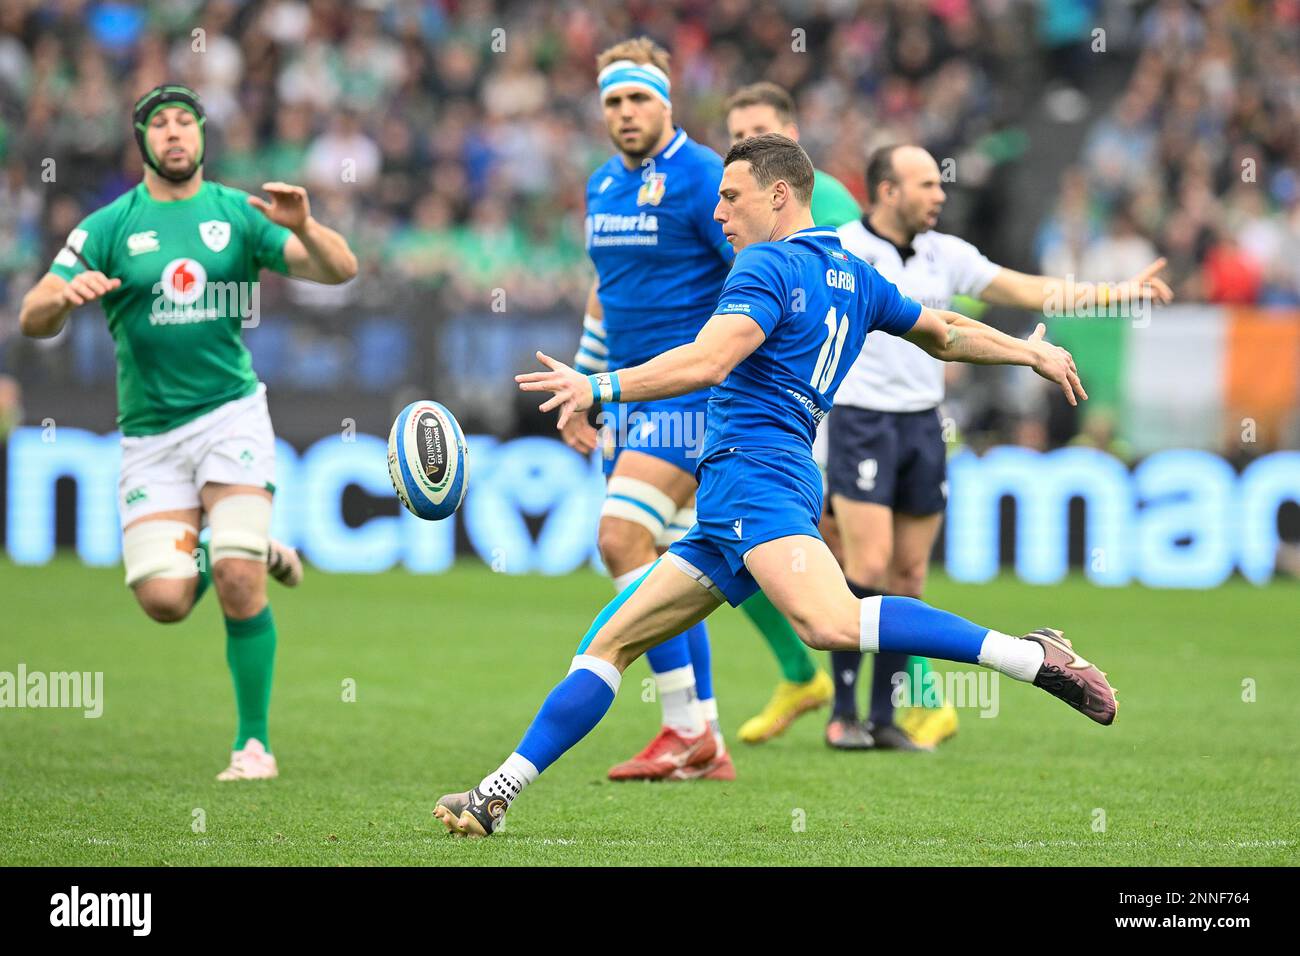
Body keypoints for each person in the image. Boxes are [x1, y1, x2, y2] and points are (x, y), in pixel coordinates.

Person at [434, 134, 1116, 838]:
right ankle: (494, 795)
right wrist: (1026, 349)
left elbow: (709, 359)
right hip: (731, 495)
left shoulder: (766, 263)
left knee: (830, 623)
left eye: (731, 197)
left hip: (760, 478)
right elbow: (942, 331)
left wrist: (598, 386)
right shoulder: (853, 273)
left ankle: (1030, 656)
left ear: (779, 195)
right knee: (609, 644)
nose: (720, 213)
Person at [18, 84, 358, 780]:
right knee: (164, 601)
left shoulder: (237, 213)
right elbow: (32, 315)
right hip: (150, 434)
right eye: (159, 124)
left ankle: (254, 745)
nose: (175, 134)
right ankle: (249, 542)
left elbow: (340, 270)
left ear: (203, 135)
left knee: (235, 577)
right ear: (141, 140)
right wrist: (62, 296)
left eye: (185, 122)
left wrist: (305, 226)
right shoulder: (109, 225)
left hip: (230, 413)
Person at [824, 145, 1170, 751]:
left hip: (923, 425)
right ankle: (843, 712)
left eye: (939, 184)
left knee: (907, 574)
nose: (939, 194)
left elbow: (1026, 289)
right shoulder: (841, 247)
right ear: (886, 191)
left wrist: (1114, 293)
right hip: (861, 421)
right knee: (868, 567)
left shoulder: (945, 253)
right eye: (926, 184)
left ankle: (884, 718)